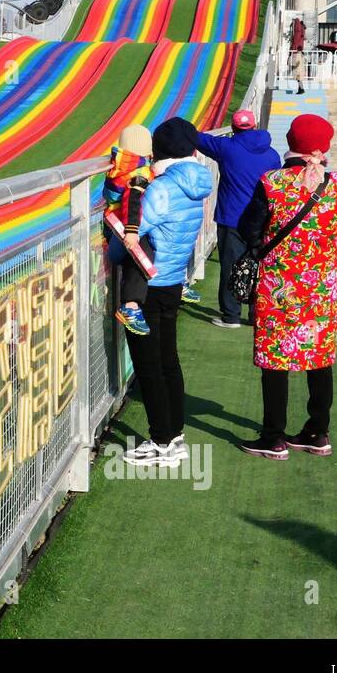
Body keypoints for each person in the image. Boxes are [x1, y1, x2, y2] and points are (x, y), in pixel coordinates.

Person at [237, 114, 337, 460]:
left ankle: (273, 437)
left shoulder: (271, 182)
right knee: (319, 358)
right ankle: (317, 432)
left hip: (279, 286)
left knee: (275, 360)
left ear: (291, 141)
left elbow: (250, 229)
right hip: (321, 287)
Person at [120, 117, 214, 468]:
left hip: (149, 286)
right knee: (168, 360)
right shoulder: (195, 183)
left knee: (149, 365)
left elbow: (132, 231)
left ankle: (161, 441)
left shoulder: (161, 188)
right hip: (173, 279)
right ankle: (174, 435)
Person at [193, 109, 282, 328]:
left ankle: (231, 315)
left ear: (233, 128)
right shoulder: (272, 155)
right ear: (254, 125)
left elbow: (197, 138)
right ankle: (256, 314)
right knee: (259, 266)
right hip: (262, 219)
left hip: (231, 218)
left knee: (230, 267)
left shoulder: (227, 148)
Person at [104, 124, 156, 335]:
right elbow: (133, 201)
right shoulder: (140, 173)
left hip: (111, 224)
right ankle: (131, 306)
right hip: (123, 228)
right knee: (142, 257)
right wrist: (132, 231)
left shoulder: (119, 165)